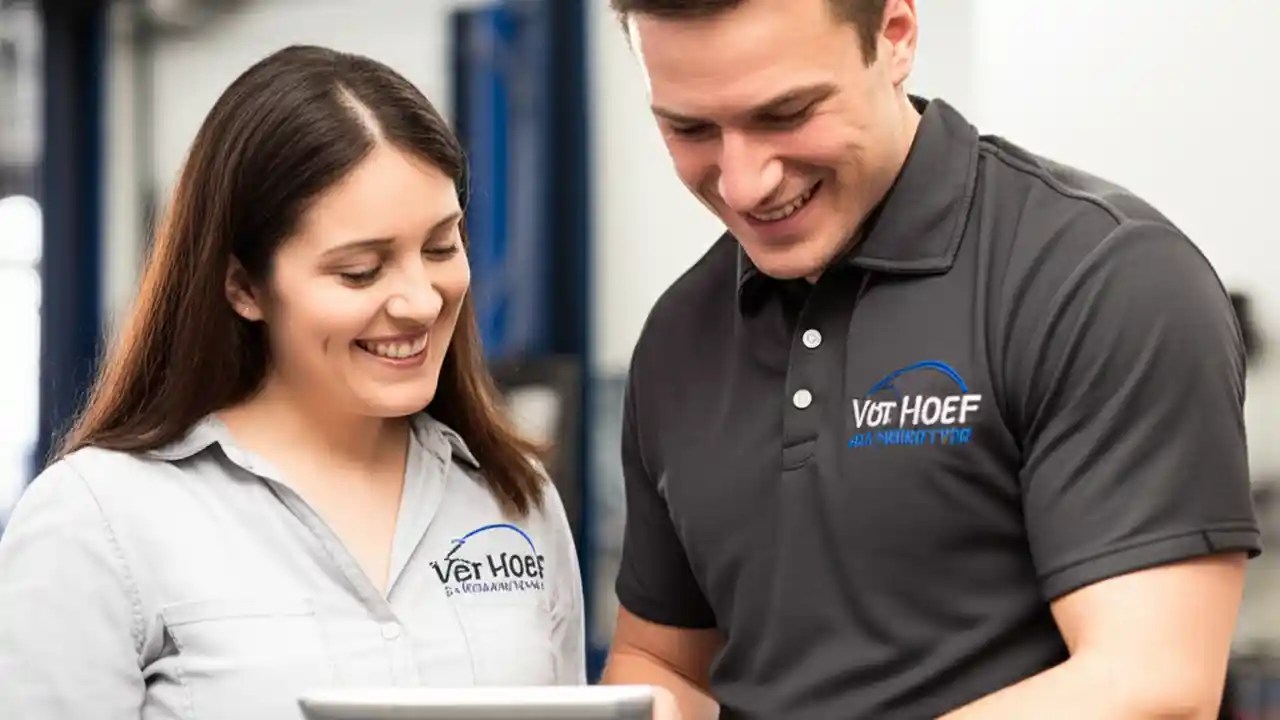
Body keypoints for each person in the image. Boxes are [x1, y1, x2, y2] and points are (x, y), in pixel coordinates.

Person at [599, 1, 1261, 718]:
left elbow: (1152, 686)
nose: (742, 182)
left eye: (786, 113)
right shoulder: (679, 333)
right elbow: (664, 662)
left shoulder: (1100, 278)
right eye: (690, 128)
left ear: (895, 36)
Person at [0, 45, 584, 719]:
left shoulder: (512, 495)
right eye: (361, 270)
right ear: (244, 285)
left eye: (441, 247)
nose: (421, 301)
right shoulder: (98, 520)